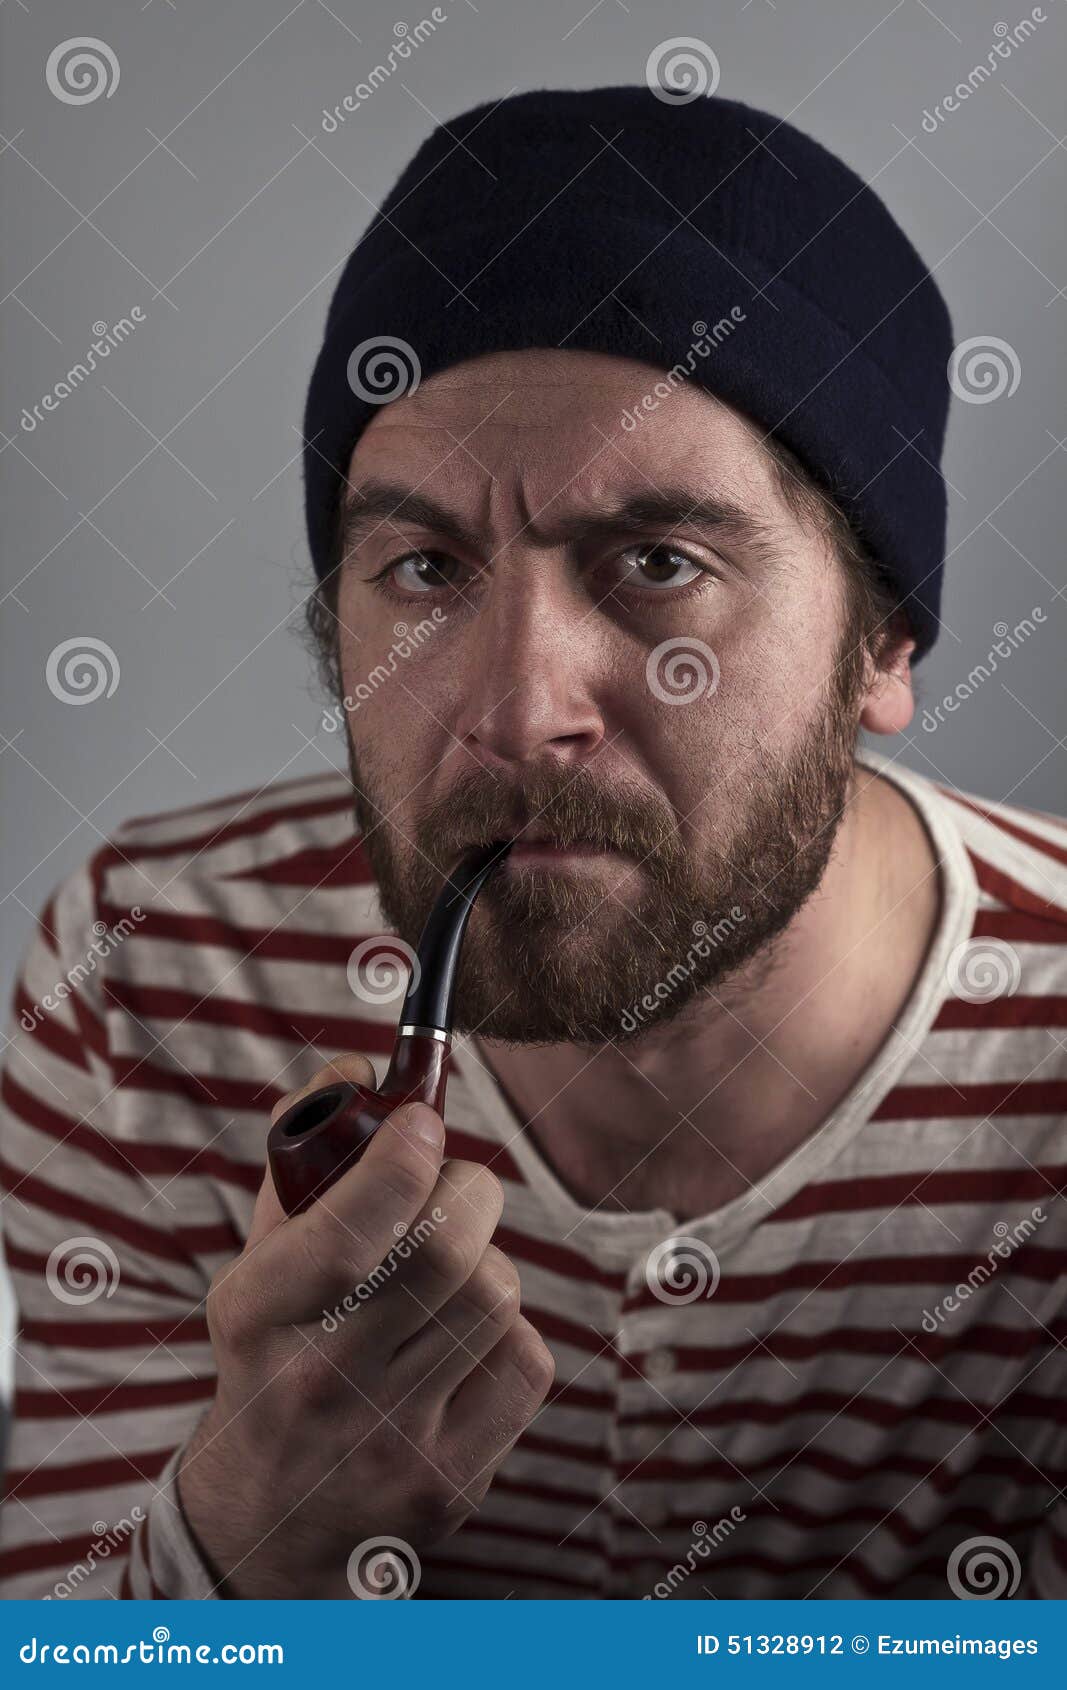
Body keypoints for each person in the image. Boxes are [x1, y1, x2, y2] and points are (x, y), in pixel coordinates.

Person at [1, 84, 1064, 1602]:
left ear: (882, 638)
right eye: (426, 567)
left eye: (659, 562)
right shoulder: (152, 977)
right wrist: (238, 1544)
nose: (513, 713)